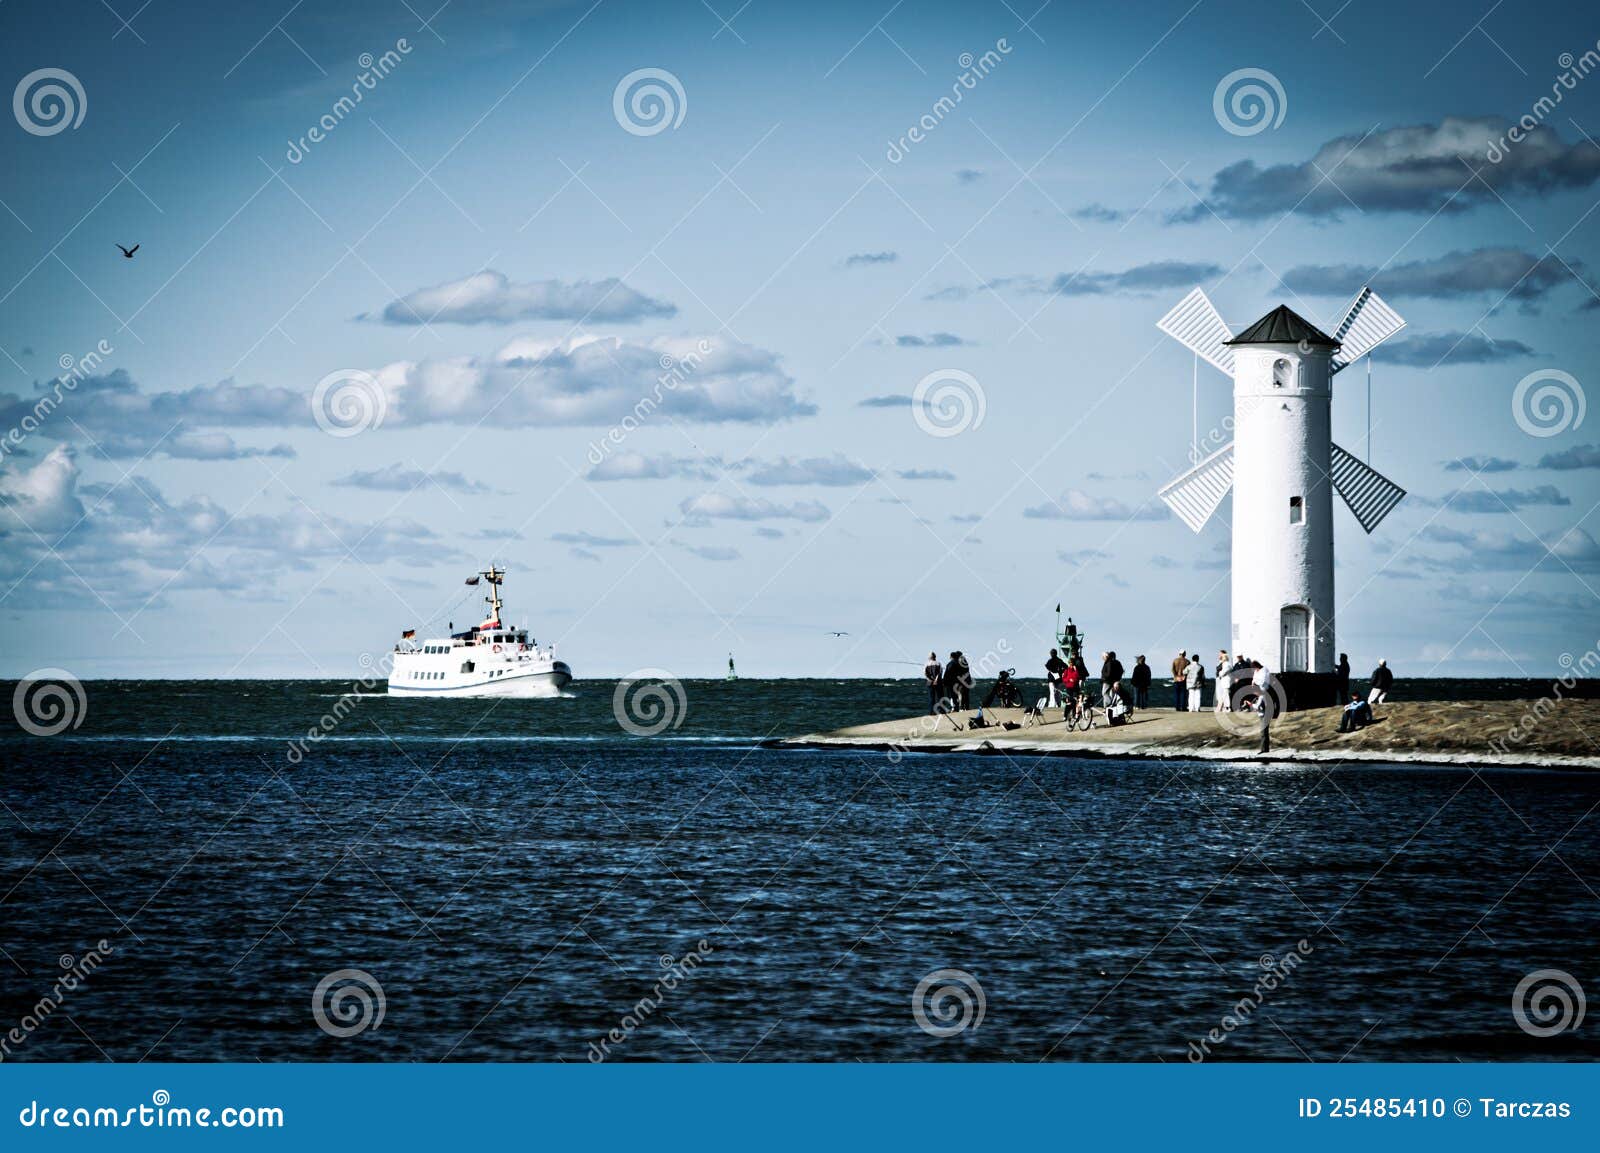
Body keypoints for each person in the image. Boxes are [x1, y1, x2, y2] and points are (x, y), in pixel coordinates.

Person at [1254, 661, 1275, 752]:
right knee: (1264, 732)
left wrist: (1250, 705)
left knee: (1263, 733)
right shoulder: (1263, 696)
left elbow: (1258, 707)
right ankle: (1265, 748)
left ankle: (1264, 749)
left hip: (1264, 716)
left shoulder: (1261, 697)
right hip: (1264, 715)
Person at [1214, 649, 1232, 713]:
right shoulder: (1225, 663)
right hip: (1223, 681)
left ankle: (1227, 707)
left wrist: (1219, 673)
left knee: (1226, 694)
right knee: (1224, 694)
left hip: (1225, 681)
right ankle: (1225, 707)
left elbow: (1223, 672)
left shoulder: (1226, 664)